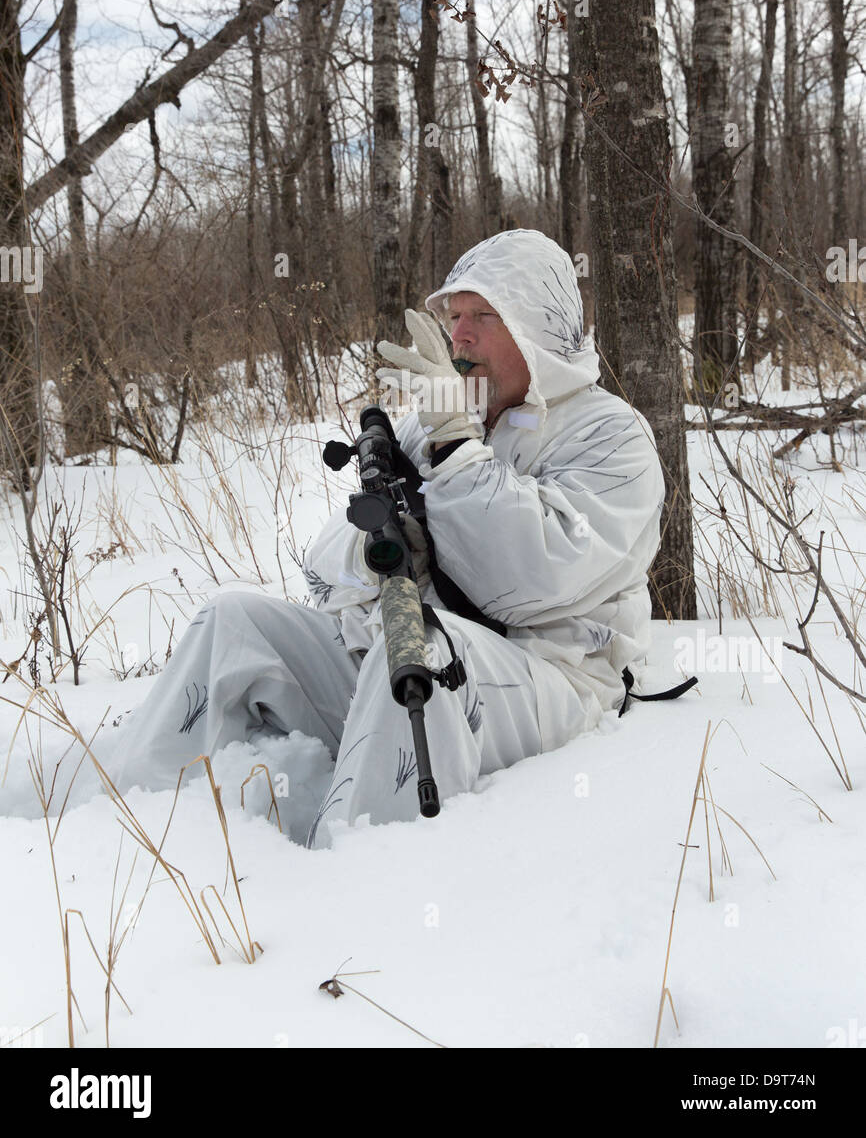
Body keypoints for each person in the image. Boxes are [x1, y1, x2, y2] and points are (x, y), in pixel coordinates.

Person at [101, 228, 666, 848]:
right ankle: (133, 835)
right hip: (401, 664)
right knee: (233, 625)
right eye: (454, 317)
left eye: (484, 315)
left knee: (414, 651)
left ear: (538, 327)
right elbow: (322, 573)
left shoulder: (612, 437)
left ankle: (349, 889)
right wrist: (381, 557)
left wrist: (455, 450)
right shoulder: (435, 421)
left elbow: (535, 579)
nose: (460, 336)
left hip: (551, 679)